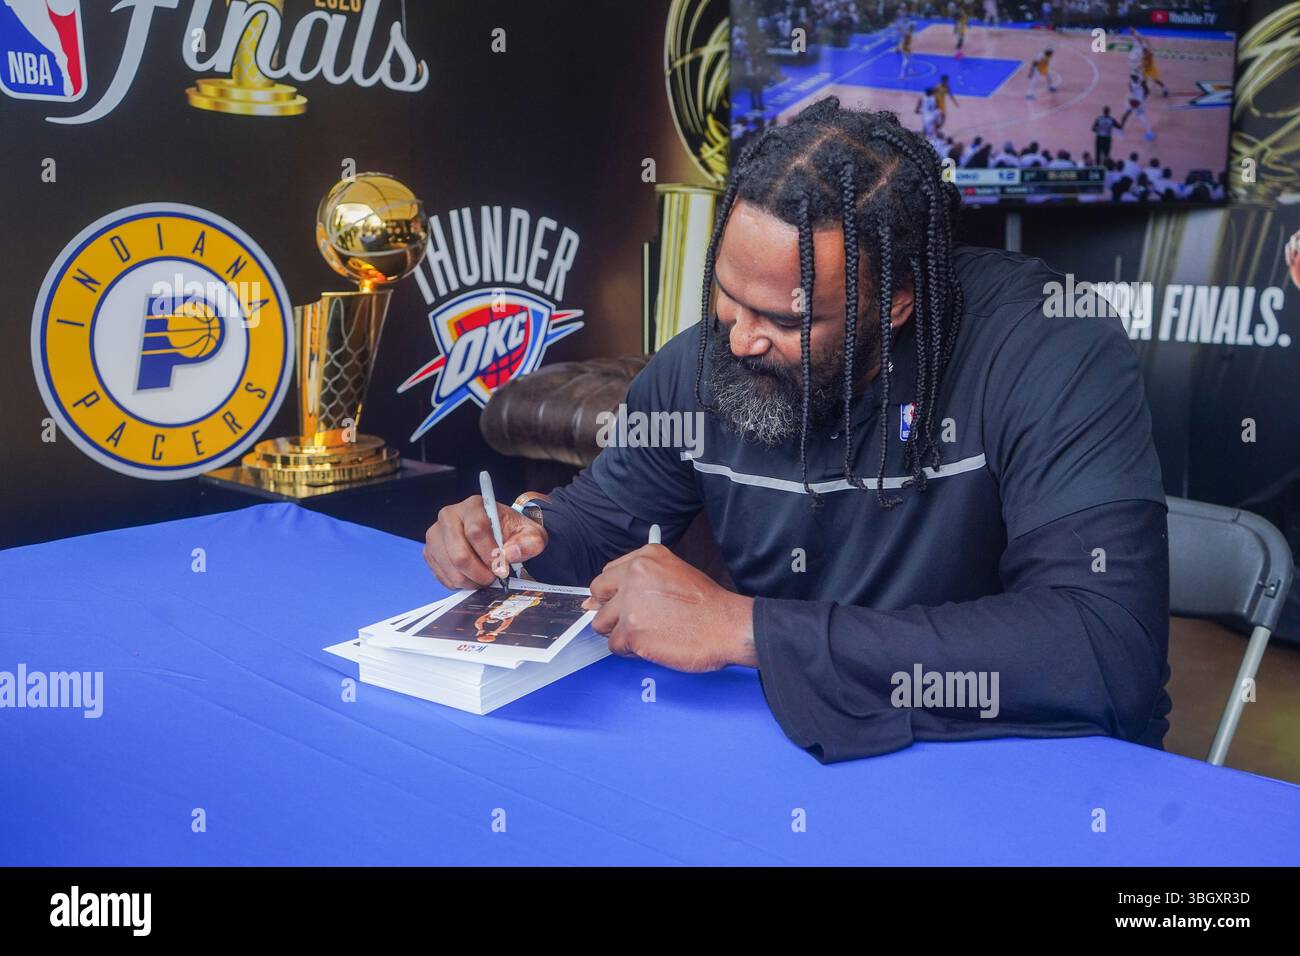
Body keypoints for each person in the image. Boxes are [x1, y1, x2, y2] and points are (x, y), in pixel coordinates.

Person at [425, 99, 1171, 764]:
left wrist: (747, 629)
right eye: (727, 296)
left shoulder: (1046, 346)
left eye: (786, 319)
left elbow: (1105, 648)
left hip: (1003, 763)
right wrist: (520, 533)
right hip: (794, 751)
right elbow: (599, 525)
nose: (741, 340)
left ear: (899, 303)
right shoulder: (703, 365)